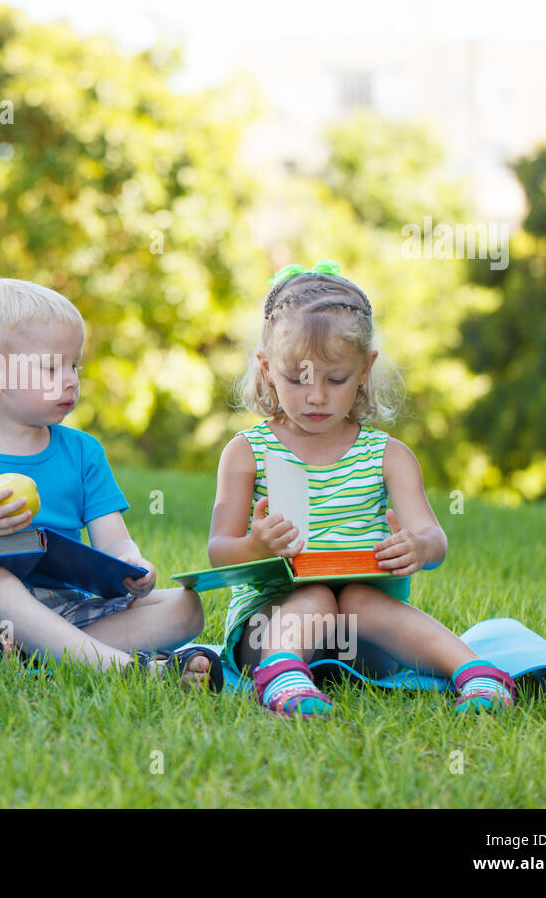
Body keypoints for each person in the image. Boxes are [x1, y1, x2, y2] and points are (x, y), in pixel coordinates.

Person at [207, 260, 516, 717]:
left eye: (336, 380)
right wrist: (255, 546)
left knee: (353, 597)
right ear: (267, 368)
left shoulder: (388, 455)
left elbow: (435, 539)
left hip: (368, 643)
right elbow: (218, 551)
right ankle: (283, 680)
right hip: (269, 631)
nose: (316, 397)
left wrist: (417, 548)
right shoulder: (246, 452)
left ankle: (478, 675)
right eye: (298, 379)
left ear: (365, 368)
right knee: (315, 598)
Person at [0, 278, 222, 689]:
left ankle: (47, 658)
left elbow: (114, 542)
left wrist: (135, 567)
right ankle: (130, 671)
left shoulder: (83, 452)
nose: (71, 380)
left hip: (66, 609)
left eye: (74, 366)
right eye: (50, 367)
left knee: (186, 606)